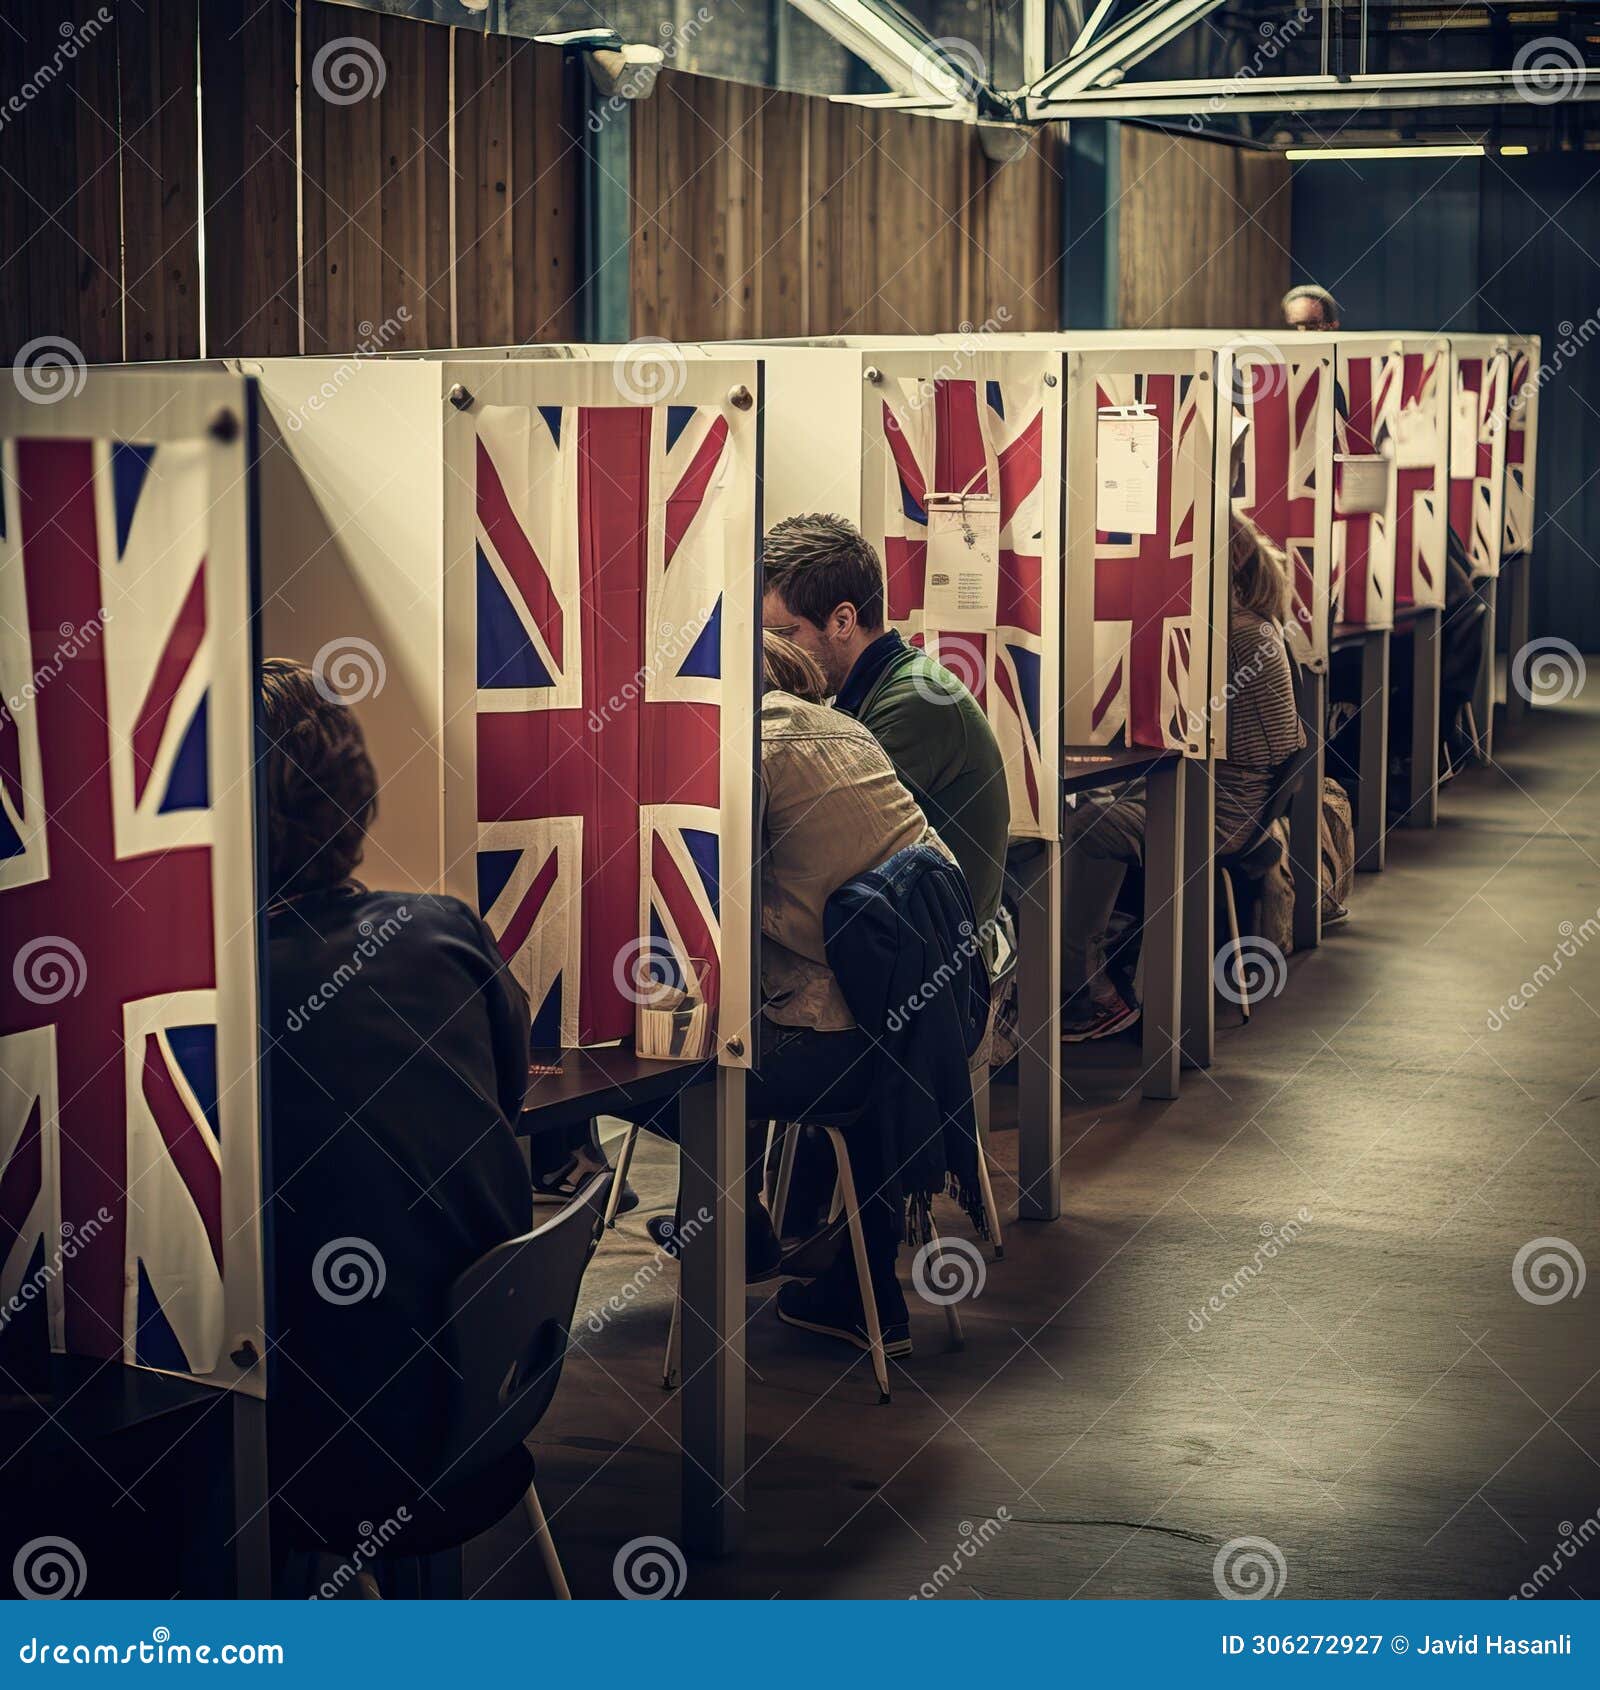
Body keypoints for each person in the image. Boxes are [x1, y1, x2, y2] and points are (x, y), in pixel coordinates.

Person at [261, 657, 533, 1548]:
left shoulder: (215, 1009)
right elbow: (511, 1099)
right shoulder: (443, 930)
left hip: (316, 1452)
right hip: (493, 1398)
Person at [1062, 516, 1304, 1040]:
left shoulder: (1232, 639)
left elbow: (1169, 726)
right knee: (1093, 807)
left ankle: (1087, 992)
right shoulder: (1252, 624)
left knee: (1081, 824)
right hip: (1240, 805)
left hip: (1216, 816)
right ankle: (1098, 957)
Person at [761, 513, 1010, 946]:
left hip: (937, 967)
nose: (767, 654)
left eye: (780, 636)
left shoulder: (917, 701)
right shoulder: (880, 688)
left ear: (842, 622)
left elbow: (813, 843)